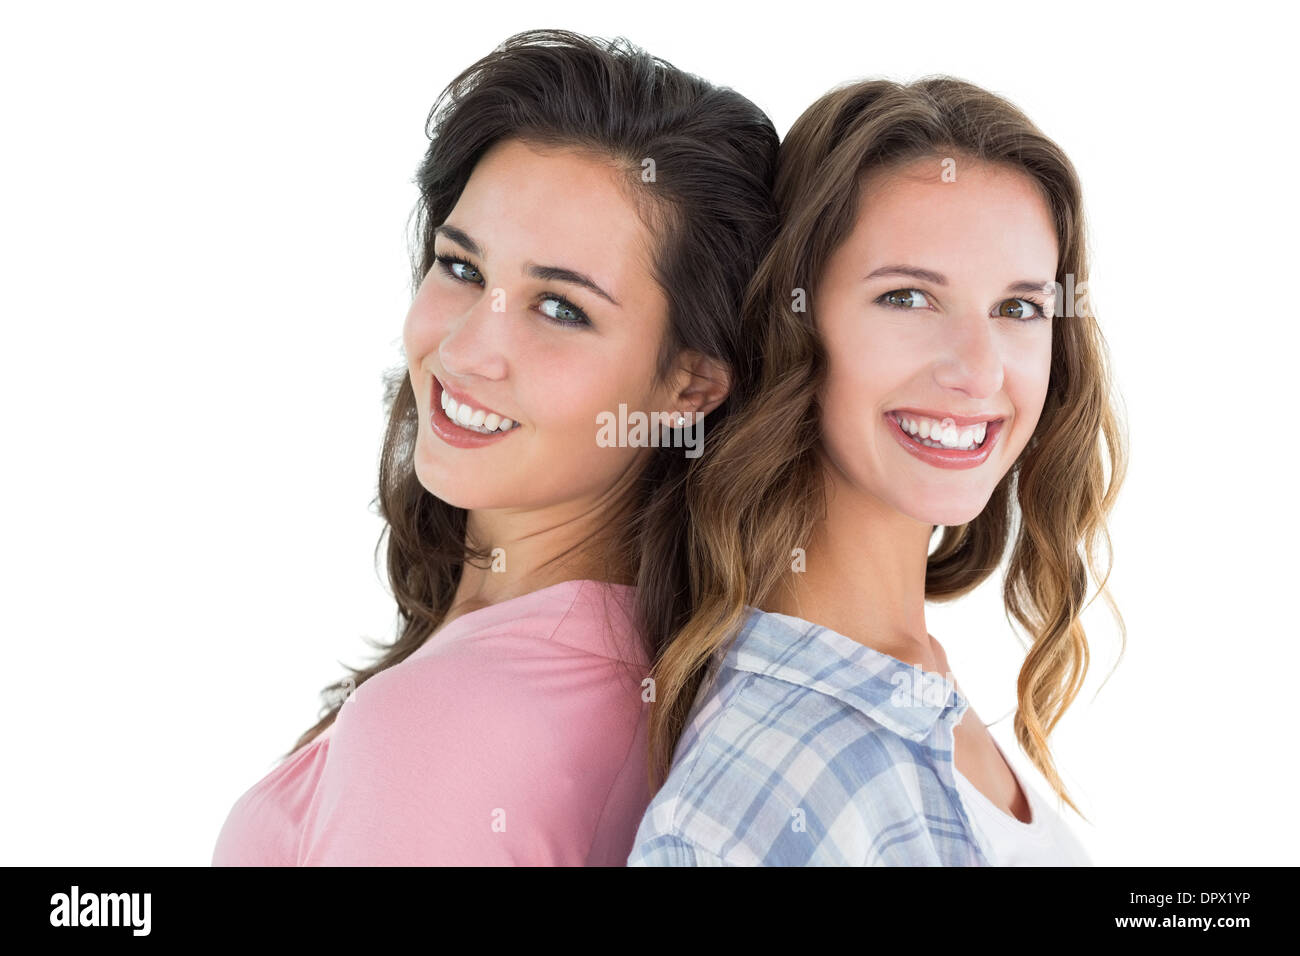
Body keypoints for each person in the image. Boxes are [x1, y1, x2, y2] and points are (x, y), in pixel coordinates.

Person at [211, 28, 778, 865]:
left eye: (560, 309)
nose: (467, 350)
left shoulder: (457, 718)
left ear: (688, 387)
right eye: (463, 268)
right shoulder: (642, 669)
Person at [629, 76, 1128, 866]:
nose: (978, 370)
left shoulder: (911, 682)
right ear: (787, 327)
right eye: (907, 297)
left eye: (1019, 307)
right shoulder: (763, 794)